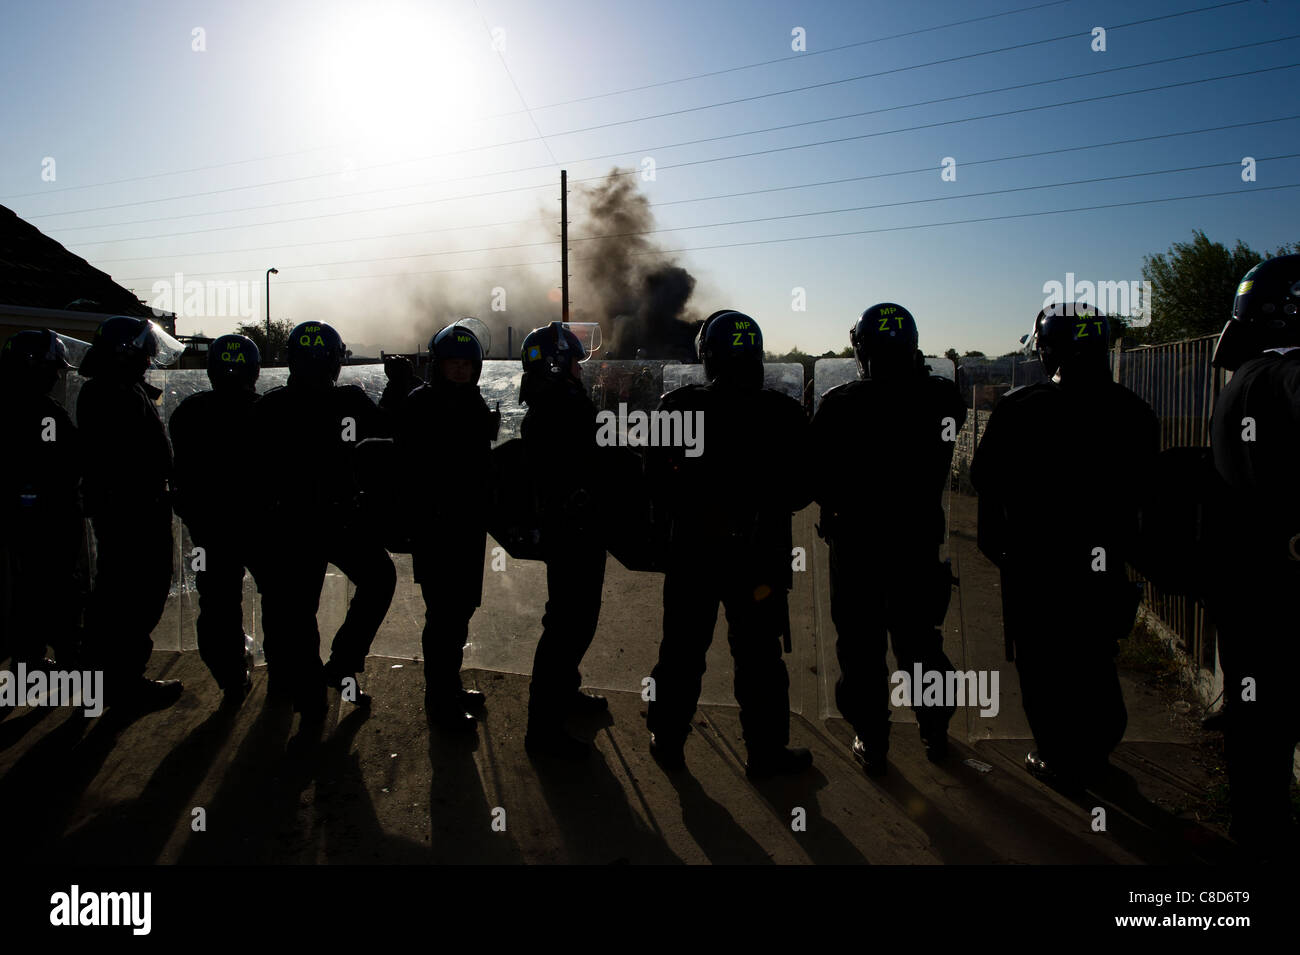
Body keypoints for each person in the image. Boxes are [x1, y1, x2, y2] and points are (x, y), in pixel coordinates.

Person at [972, 303, 1157, 789]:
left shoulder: (1019, 408)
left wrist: (1001, 549)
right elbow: (1146, 494)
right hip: (1101, 567)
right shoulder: (1134, 411)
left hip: (1035, 568)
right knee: (1095, 658)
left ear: (1048, 350)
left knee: (1043, 666)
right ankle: (1095, 756)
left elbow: (985, 481)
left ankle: (1057, 756)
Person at [645, 309, 814, 778]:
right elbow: (803, 490)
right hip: (759, 562)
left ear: (707, 357)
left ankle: (667, 736)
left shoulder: (676, 406)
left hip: (693, 557)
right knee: (759, 659)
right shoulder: (783, 412)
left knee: (680, 650)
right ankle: (765, 754)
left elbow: (654, 482)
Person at [810, 303, 966, 776]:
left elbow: (814, 475)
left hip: (856, 547)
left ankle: (872, 739)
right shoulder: (943, 397)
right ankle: (935, 731)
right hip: (916, 545)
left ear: (862, 349)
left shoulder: (841, 403)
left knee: (860, 647)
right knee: (920, 641)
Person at [252, 321, 395, 721]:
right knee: (377, 580)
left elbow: (252, 476)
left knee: (297, 616)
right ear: (337, 362)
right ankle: (337, 670)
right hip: (334, 522)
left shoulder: (270, 406)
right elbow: (390, 432)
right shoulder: (347, 400)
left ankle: (312, 692)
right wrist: (400, 386)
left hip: (295, 527)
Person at [1206, 253, 1300, 857]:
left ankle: (1254, 825)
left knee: (1255, 717)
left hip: (1243, 585)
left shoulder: (1244, 379)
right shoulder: (1285, 375)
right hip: (1281, 593)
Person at [380, 320, 498, 731]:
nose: (462, 370)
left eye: (468, 363)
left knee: (459, 612)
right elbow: (411, 467)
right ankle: (441, 703)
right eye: (453, 363)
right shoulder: (421, 403)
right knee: (444, 616)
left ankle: (449, 685)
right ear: (439, 365)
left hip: (466, 527)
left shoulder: (473, 402)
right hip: (437, 528)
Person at [77, 316, 185, 710]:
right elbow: (136, 457)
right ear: (126, 353)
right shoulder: (114, 394)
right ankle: (125, 683)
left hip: (122, 510)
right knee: (137, 594)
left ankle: (99, 677)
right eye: (145, 352)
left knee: (114, 592)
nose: (150, 359)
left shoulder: (110, 389)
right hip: (133, 513)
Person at [518, 322, 609, 760]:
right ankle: (544, 733)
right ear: (557, 364)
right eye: (574, 361)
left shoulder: (546, 400)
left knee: (569, 620)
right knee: (568, 627)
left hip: (570, 530)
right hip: (574, 532)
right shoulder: (562, 405)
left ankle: (564, 697)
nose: (578, 369)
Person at [169, 333, 261, 704]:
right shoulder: (263, 410)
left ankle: (230, 678)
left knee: (217, 603)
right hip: (259, 525)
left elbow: (178, 471)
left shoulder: (189, 411)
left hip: (208, 530)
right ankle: (288, 676)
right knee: (282, 600)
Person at [0, 330, 83, 671]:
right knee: (58, 590)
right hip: (46, 520)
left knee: (26, 592)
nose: (56, 376)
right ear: (33, 366)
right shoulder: (43, 413)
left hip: (21, 519)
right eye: (52, 368)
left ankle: (29, 660)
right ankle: (69, 661)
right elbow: (59, 459)